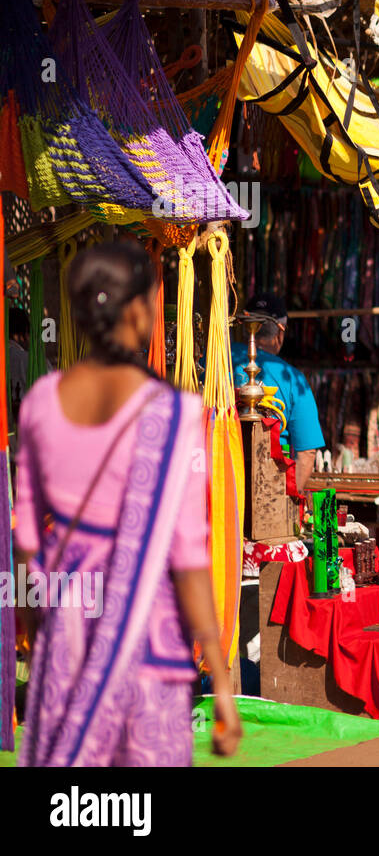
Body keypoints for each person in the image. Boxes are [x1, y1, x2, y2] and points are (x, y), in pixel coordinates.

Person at [14, 241, 241, 766]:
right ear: (137, 310)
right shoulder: (175, 414)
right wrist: (222, 679)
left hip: (68, 640)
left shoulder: (42, 402)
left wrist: (41, 637)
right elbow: (187, 556)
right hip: (147, 644)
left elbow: (26, 543)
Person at [232, 293, 325, 492]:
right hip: (269, 486)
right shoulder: (294, 379)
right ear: (280, 333)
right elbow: (307, 453)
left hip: (219, 473)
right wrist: (287, 501)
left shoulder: (214, 359)